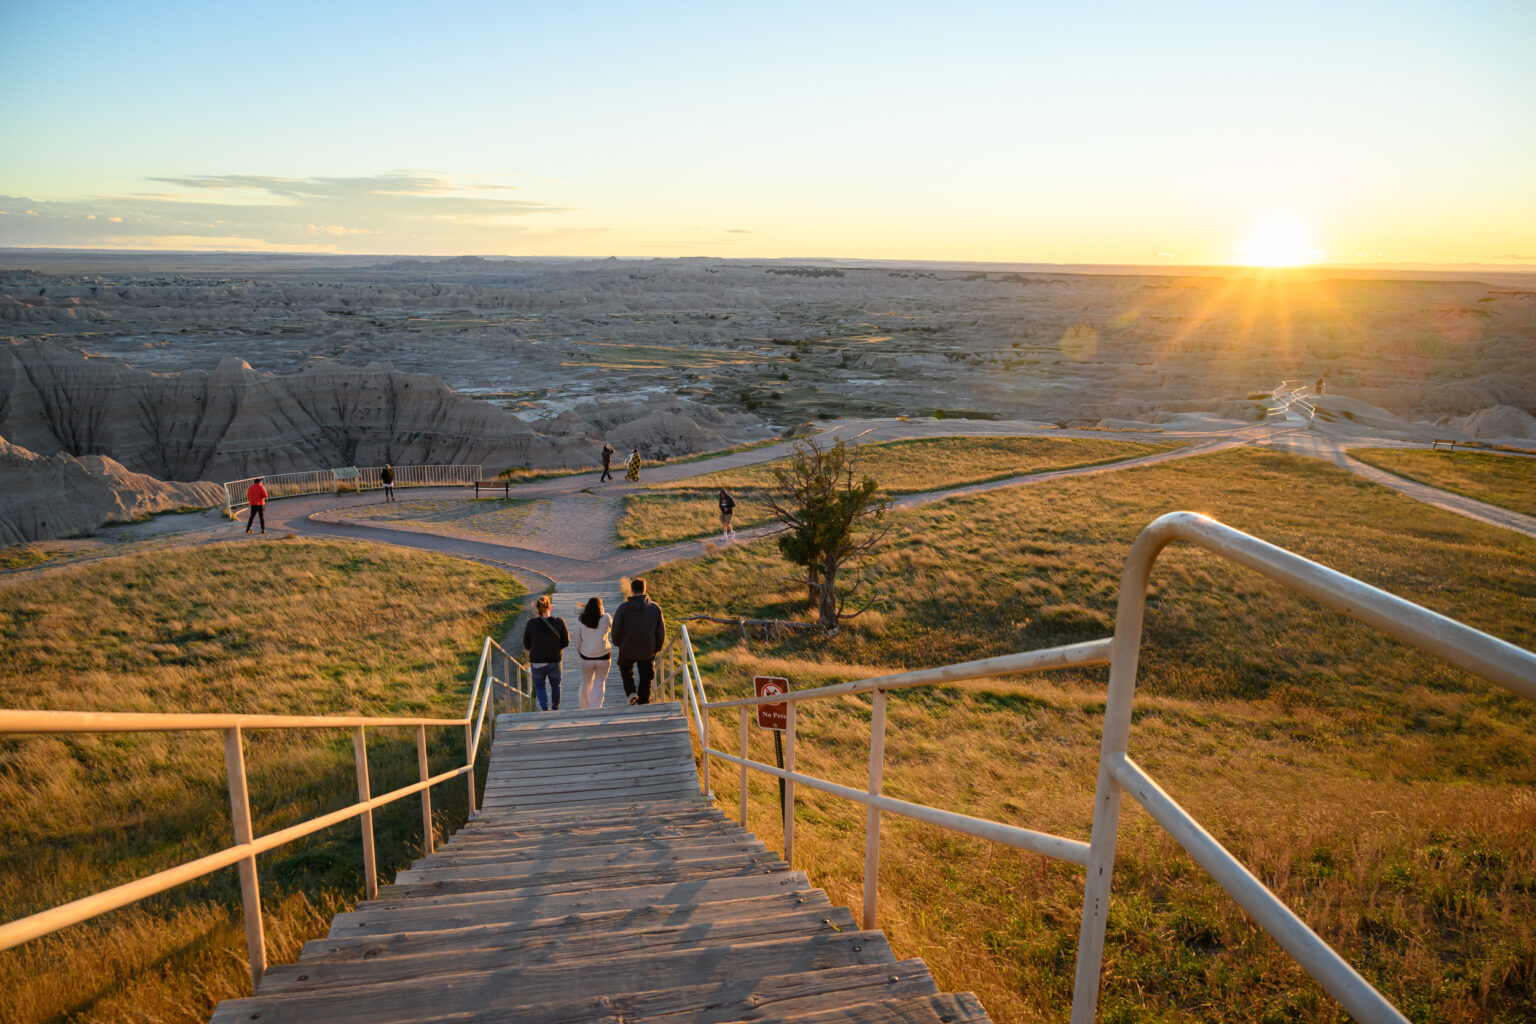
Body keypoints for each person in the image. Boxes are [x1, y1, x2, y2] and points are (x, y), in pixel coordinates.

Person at [610, 577, 665, 705]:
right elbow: (661, 632)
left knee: (625, 668)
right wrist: (656, 648)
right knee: (646, 675)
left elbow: (616, 630)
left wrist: (618, 644)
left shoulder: (623, 608)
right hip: (647, 649)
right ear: (644, 589)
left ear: (632, 590)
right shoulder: (655, 608)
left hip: (627, 649)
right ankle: (644, 700)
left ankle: (631, 693)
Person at [522, 594, 569, 711]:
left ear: (537, 609)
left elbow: (527, 644)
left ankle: (545, 709)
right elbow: (566, 642)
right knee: (556, 685)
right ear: (550, 607)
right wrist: (556, 648)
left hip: (537, 662)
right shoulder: (559, 622)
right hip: (554, 660)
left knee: (539, 686)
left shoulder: (531, 624)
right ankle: (556, 708)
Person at [574, 596, 613, 709]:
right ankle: (596, 706)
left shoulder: (581, 619)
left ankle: (584, 706)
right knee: (600, 681)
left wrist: (580, 651)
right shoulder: (606, 617)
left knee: (586, 681)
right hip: (604, 656)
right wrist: (602, 611)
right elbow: (611, 628)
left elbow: (576, 638)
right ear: (600, 607)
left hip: (586, 657)